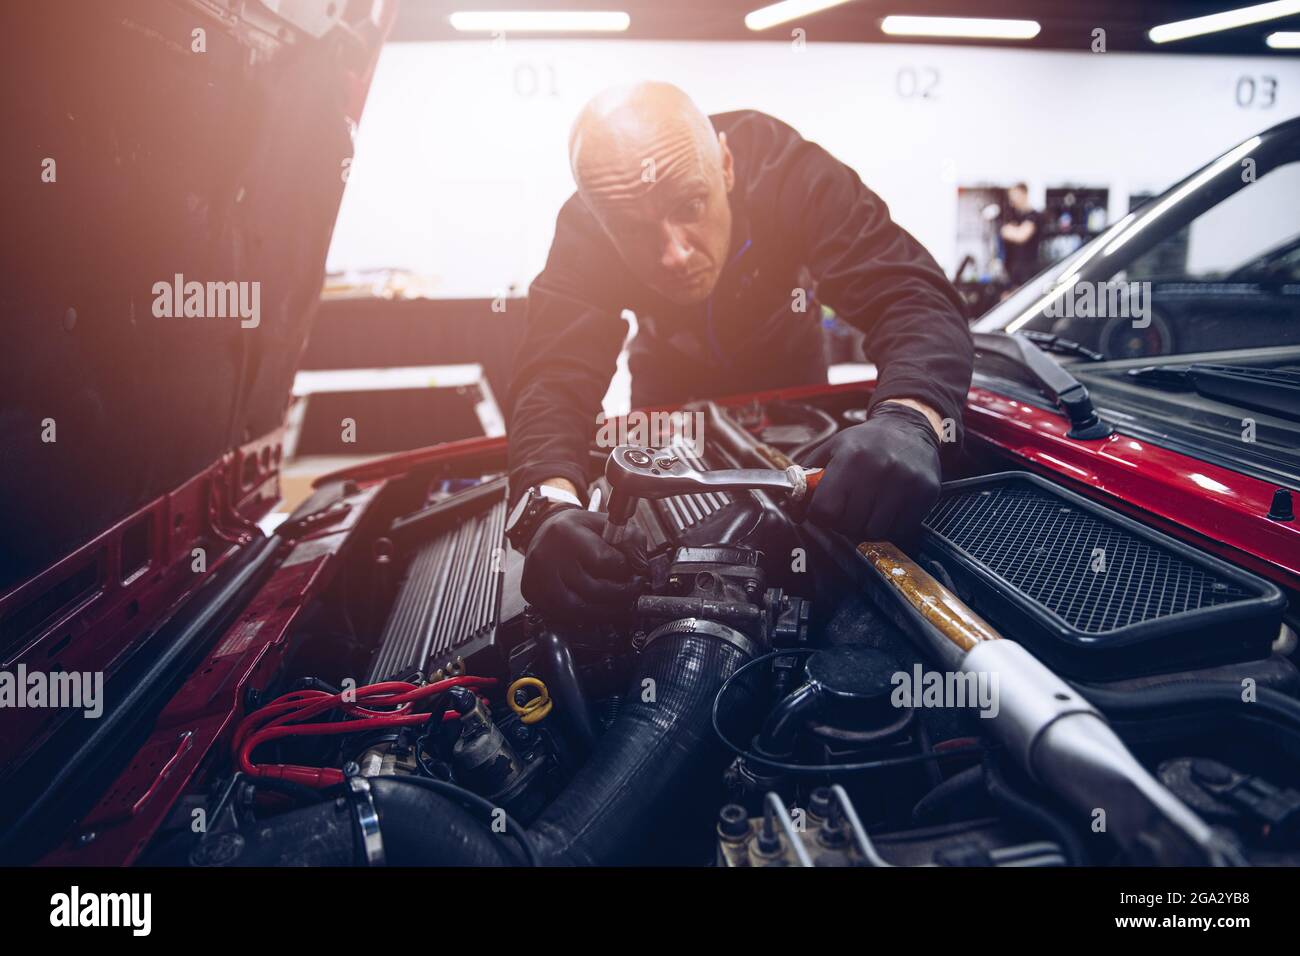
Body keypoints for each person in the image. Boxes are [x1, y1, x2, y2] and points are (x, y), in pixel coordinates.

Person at [505, 82, 973, 614]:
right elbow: (554, 373)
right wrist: (548, 504)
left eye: (691, 205)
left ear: (726, 166)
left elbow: (907, 291)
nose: (674, 255)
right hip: (668, 387)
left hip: (789, 373)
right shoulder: (589, 223)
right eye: (635, 232)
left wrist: (910, 416)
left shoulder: (787, 170)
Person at [999, 182, 1043, 287]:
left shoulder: (1034, 216)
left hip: (1027, 272)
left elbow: (1021, 236)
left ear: (1024, 194)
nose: (1013, 200)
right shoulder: (1014, 215)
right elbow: (1004, 232)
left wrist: (1011, 231)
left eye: (1015, 195)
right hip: (1012, 271)